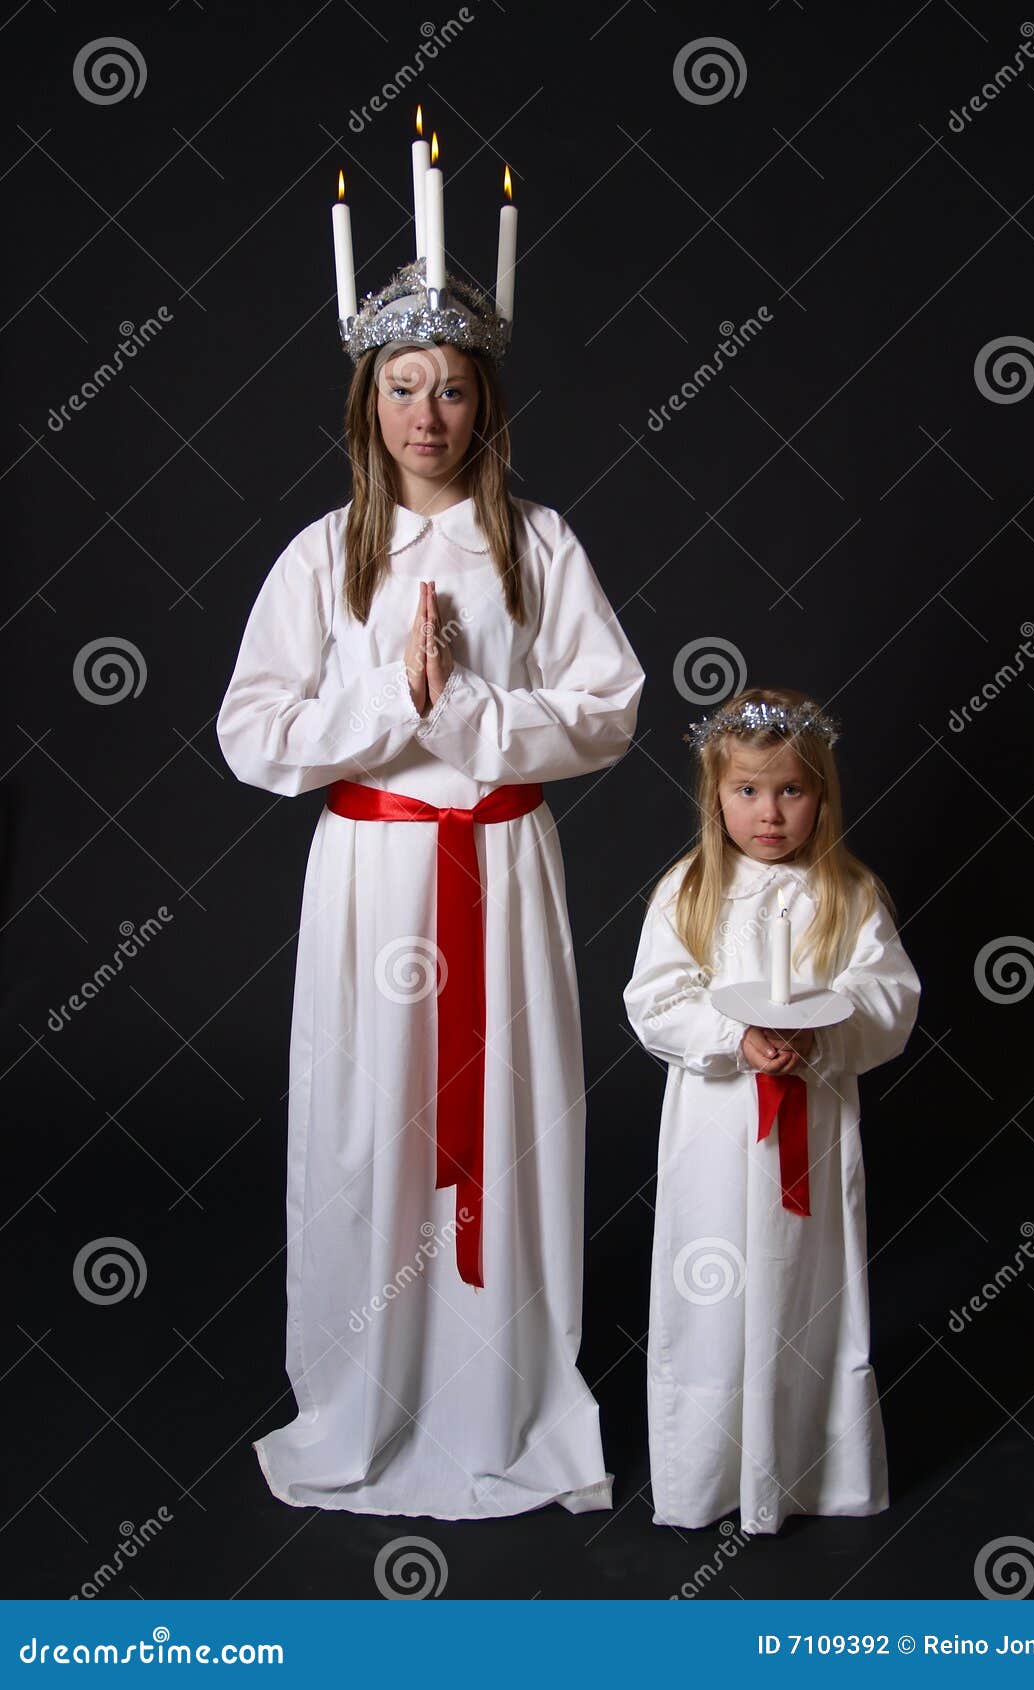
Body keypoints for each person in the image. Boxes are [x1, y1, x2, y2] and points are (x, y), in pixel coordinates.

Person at [216, 257, 644, 1520]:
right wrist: (389, 701)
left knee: (507, 1126)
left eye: (453, 389)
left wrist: (464, 708)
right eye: (402, 386)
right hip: (376, 879)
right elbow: (252, 731)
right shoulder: (324, 556)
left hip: (499, 872)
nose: (427, 414)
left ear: (485, 406)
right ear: (367, 403)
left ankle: (495, 1391)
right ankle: (367, 1391)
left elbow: (609, 711)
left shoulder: (535, 543)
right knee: (372, 1124)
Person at [622, 685, 920, 1535]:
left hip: (814, 1132)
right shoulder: (690, 891)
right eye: (747, 790)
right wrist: (733, 1035)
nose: (770, 812)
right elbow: (656, 998)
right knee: (712, 1295)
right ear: (715, 794)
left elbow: (887, 993)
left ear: (820, 793)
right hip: (717, 1135)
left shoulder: (848, 894)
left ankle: (810, 1471)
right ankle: (708, 1476)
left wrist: (821, 1035)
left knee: (805, 1285)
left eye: (790, 789)